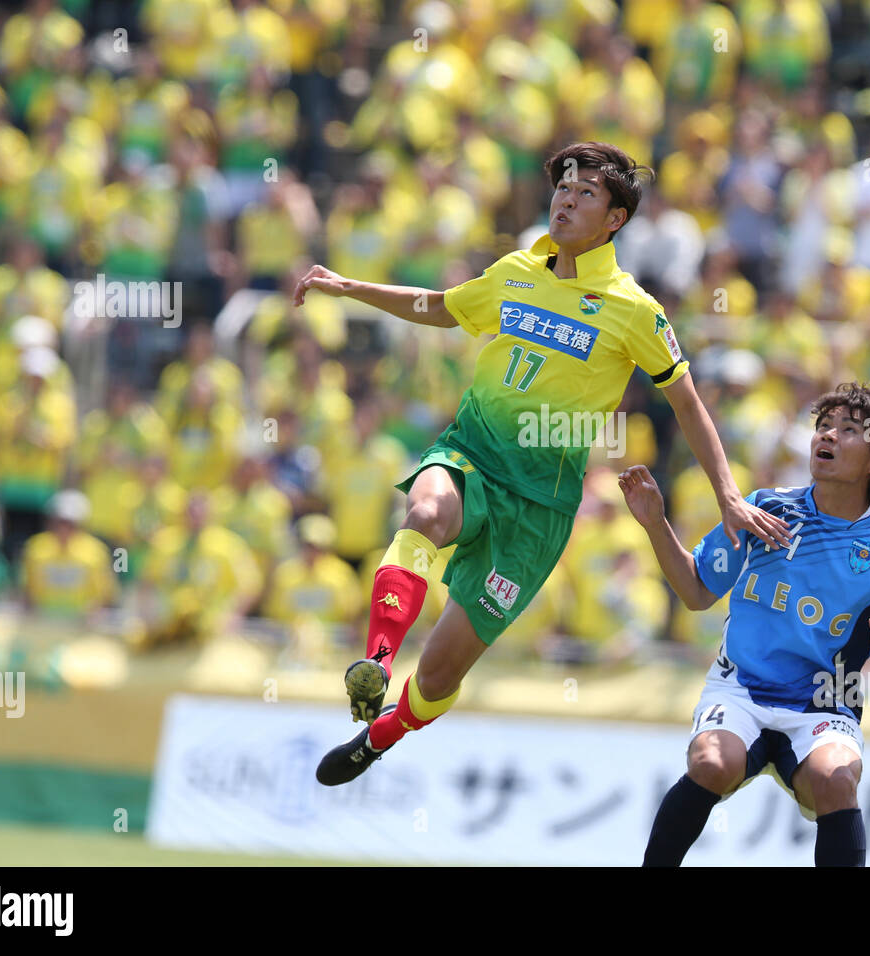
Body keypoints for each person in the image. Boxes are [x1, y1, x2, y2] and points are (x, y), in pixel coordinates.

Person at [294, 142, 792, 785]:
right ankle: (378, 663)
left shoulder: (634, 309)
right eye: (564, 187)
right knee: (425, 508)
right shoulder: (514, 271)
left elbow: (689, 406)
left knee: (444, 672)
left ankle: (379, 735)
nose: (567, 198)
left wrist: (727, 495)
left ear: (615, 219)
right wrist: (348, 287)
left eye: (587, 193)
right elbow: (444, 307)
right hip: (472, 451)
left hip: (538, 507)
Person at [620, 382, 870, 866]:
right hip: (739, 690)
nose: (827, 436)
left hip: (822, 707)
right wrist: (656, 523)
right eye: (823, 426)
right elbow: (696, 592)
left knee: (835, 781)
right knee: (711, 763)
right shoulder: (767, 508)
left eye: (848, 430)